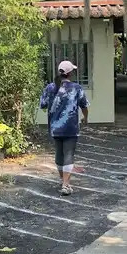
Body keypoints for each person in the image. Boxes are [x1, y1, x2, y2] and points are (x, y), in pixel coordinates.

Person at [39, 60, 89, 196]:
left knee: (59, 154)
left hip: (55, 127)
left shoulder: (50, 87)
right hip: (70, 127)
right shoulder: (76, 88)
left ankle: (64, 181)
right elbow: (84, 106)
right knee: (68, 154)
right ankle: (66, 184)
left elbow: (43, 104)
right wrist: (85, 118)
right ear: (70, 73)